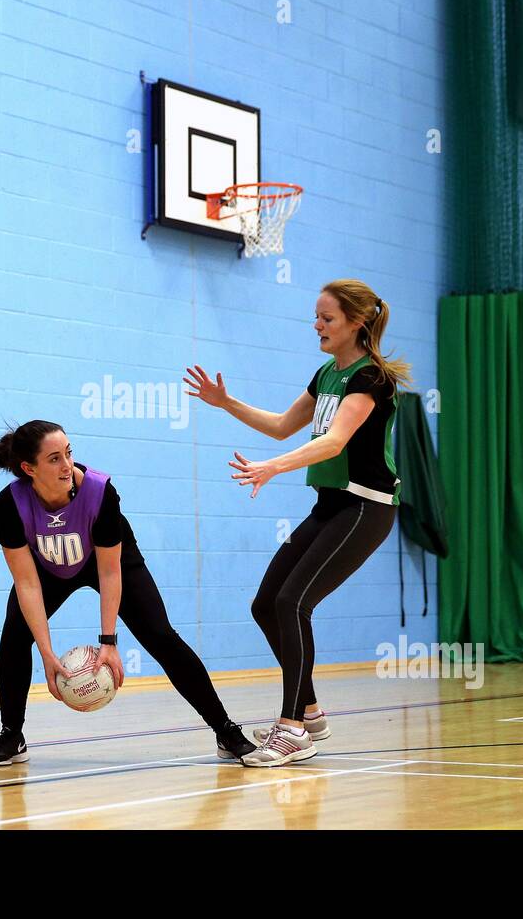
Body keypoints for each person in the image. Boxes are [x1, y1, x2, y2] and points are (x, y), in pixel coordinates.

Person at [184, 279, 411, 767]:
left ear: (357, 322)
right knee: (266, 604)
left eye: (327, 319)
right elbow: (283, 425)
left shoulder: (371, 379)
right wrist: (227, 403)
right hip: (331, 505)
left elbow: (333, 442)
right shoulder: (328, 373)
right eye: (317, 317)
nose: (317, 326)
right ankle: (309, 711)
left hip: (367, 506)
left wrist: (272, 467)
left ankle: (291, 729)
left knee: (293, 602)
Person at [0, 421, 255, 766]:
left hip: (105, 561)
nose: (67, 466)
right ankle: (11, 735)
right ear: (28, 469)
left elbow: (109, 571)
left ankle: (225, 730)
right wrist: (47, 655)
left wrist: (108, 641)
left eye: (69, 453)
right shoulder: (10, 505)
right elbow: (27, 584)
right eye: (54, 459)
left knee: (161, 636)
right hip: (47, 569)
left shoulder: (99, 492)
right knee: (15, 636)